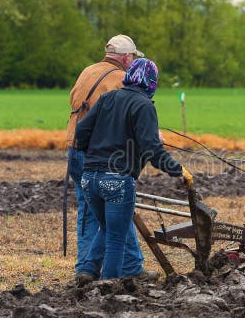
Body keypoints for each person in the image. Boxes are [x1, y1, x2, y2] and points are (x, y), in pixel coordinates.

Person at [74, 57, 193, 280]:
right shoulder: (144, 105)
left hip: (89, 178)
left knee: (106, 227)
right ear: (151, 82)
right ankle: (108, 285)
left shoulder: (107, 98)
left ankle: (88, 270)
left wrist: (95, 154)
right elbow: (152, 150)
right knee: (116, 237)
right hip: (117, 180)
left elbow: (80, 132)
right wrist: (178, 170)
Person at [65, 34, 144, 282]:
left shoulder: (87, 71)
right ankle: (129, 269)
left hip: (74, 148)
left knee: (88, 211)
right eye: (133, 58)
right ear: (126, 57)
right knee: (119, 207)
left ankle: (86, 269)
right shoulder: (120, 79)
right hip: (101, 154)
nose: (133, 63)